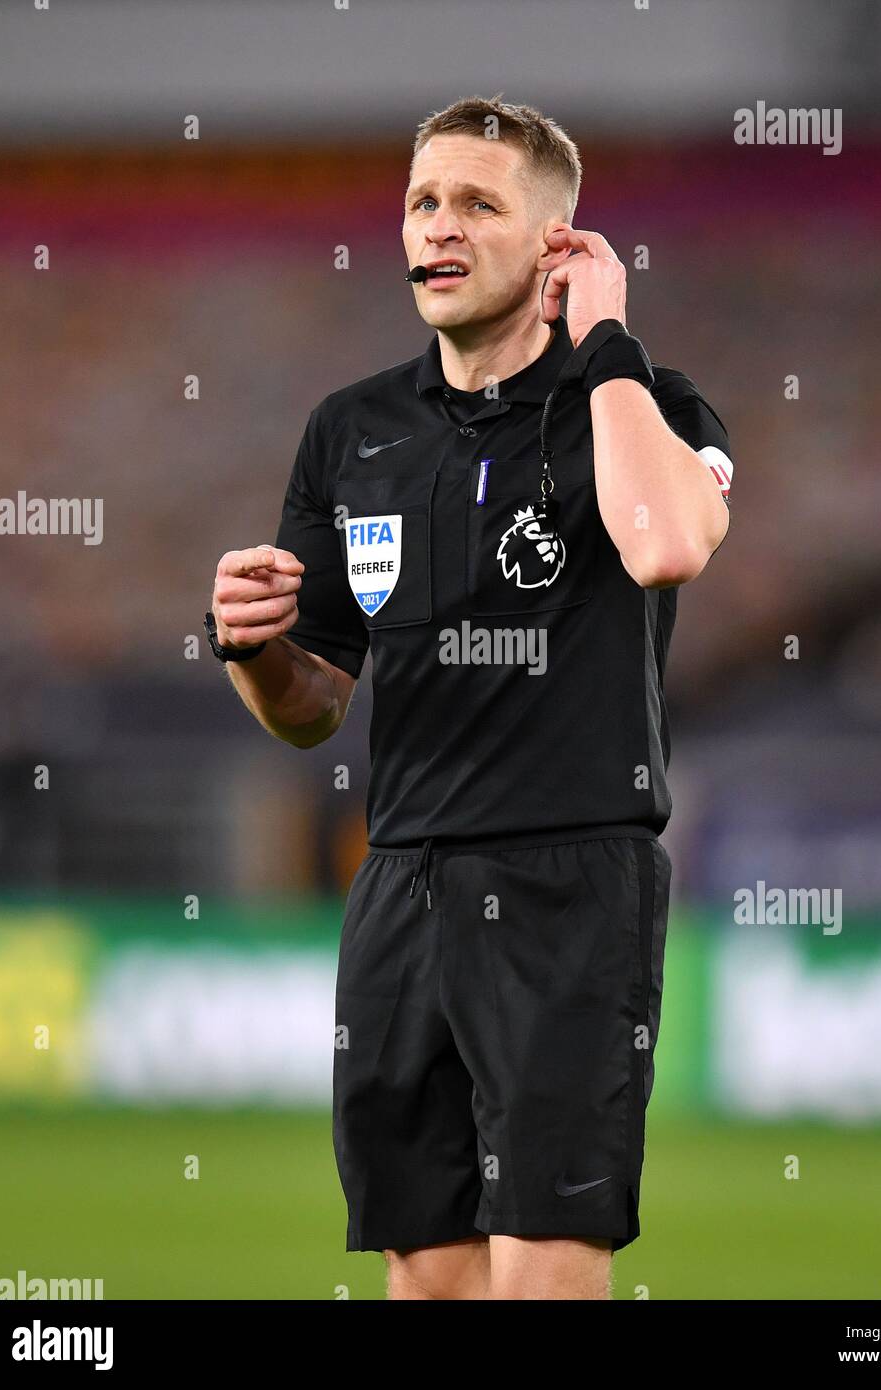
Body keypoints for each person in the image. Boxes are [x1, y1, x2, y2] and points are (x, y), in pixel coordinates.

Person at [206, 95, 733, 1300]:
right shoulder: (352, 430)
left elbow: (662, 545)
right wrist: (250, 644)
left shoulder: (648, 406)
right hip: (399, 882)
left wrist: (603, 347)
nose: (434, 228)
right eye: (420, 201)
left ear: (557, 245)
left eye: (476, 204)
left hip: (568, 882)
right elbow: (312, 705)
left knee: (540, 1275)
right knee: (427, 1276)